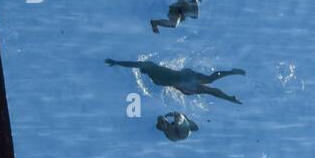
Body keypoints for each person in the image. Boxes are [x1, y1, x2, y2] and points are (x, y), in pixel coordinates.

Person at [105, 58, 246, 104]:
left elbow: (134, 64)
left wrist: (117, 62)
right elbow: (135, 65)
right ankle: (230, 97)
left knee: (210, 84)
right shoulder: (152, 75)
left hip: (183, 80)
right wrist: (117, 62)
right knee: (210, 85)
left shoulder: (151, 70)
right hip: (182, 83)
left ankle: (231, 75)